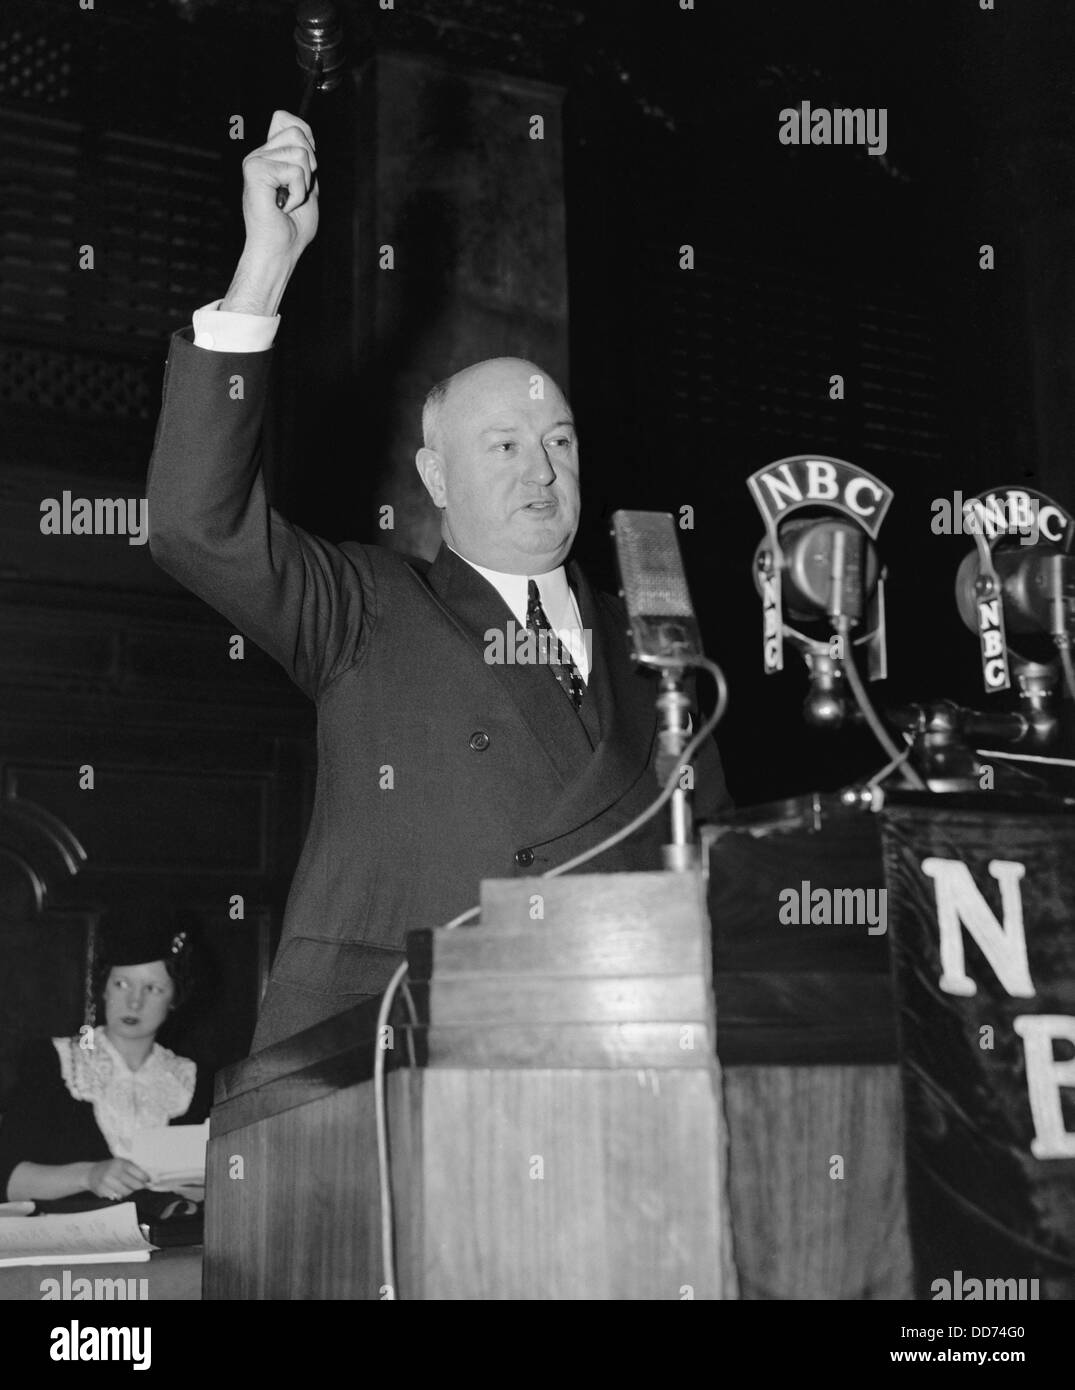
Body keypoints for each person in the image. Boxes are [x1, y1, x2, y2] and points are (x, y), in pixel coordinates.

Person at [146, 110, 731, 1052]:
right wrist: (265, 268)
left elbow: (719, 876)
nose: (540, 473)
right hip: (380, 1068)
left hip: (610, 1068)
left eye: (559, 444)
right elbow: (193, 526)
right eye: (503, 445)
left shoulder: (657, 646)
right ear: (434, 478)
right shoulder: (366, 608)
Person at [0, 909, 211, 1207]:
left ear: (174, 998)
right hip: (63, 1246)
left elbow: (233, 1177)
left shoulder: (194, 1081)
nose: (134, 1002)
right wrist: (89, 1175)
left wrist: (209, 1191)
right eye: (121, 984)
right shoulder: (54, 1062)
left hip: (168, 1249)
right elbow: (6, 1179)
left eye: (152, 988)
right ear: (104, 989)